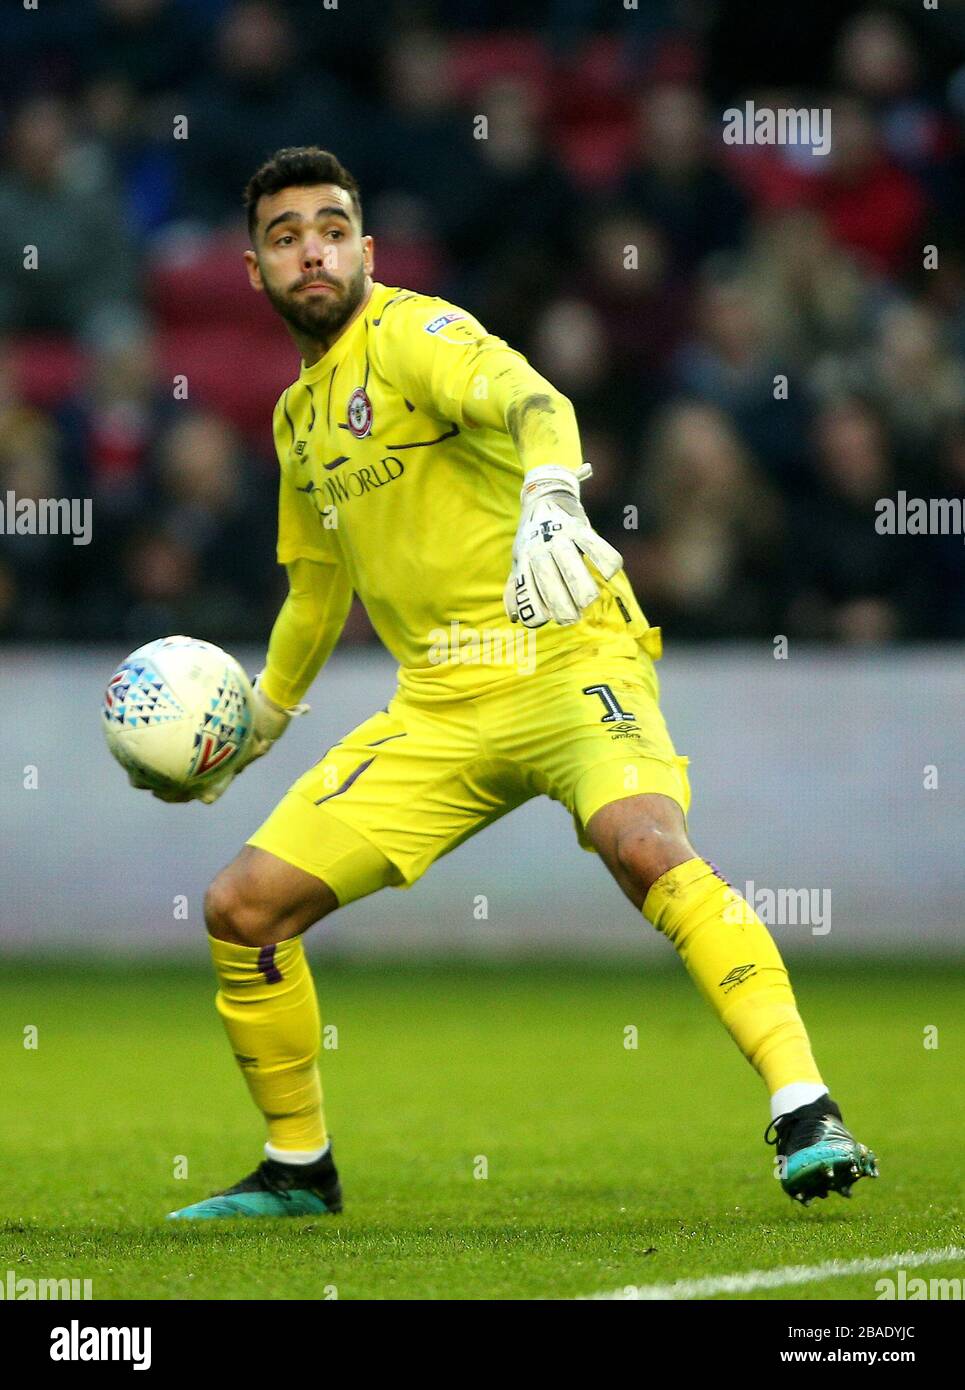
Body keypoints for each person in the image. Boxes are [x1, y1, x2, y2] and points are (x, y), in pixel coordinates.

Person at [146, 146, 876, 1219]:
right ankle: (298, 1168)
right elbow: (313, 591)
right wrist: (261, 718)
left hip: (567, 655)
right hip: (439, 706)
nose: (314, 248)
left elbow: (534, 398)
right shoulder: (297, 421)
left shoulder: (414, 332)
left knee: (642, 843)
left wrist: (548, 490)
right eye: (286, 234)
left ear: (366, 248)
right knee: (242, 908)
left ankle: (803, 1105)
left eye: (333, 227)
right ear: (253, 269)